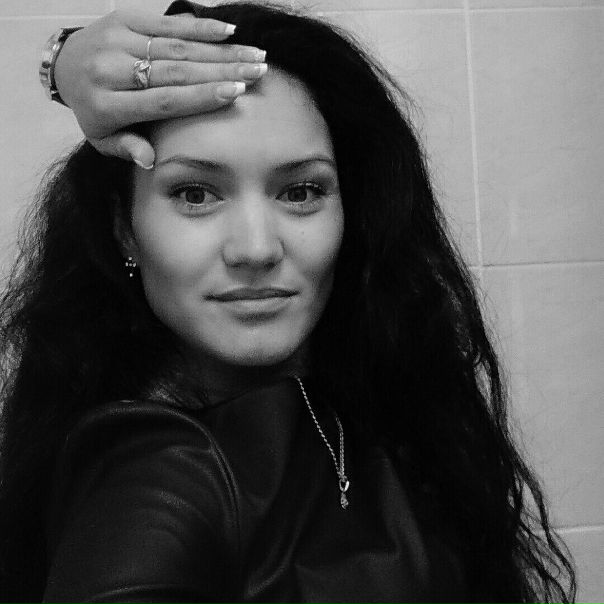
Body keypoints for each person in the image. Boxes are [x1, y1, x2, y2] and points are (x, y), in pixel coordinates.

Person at [0, 1, 576, 602]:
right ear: (125, 230)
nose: (256, 248)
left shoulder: (381, 409)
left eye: (300, 192)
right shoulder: (154, 483)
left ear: (353, 214)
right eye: (195, 194)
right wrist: (58, 60)